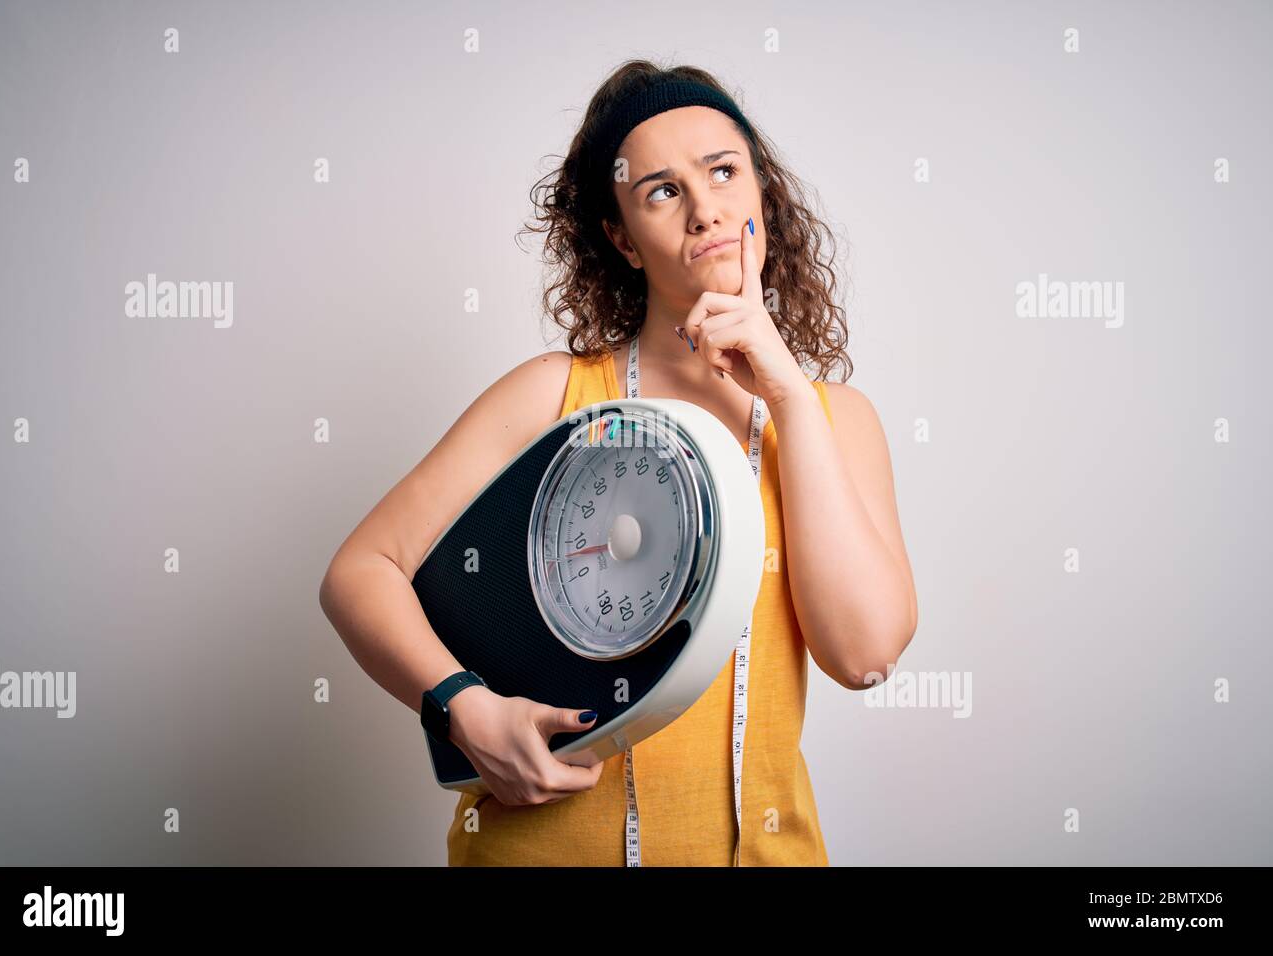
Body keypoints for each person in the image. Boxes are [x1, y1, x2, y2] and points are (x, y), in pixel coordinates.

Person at [319, 60, 918, 866]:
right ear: (621, 239)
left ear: (762, 197)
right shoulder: (554, 399)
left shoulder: (833, 420)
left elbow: (864, 655)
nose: (704, 208)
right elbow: (361, 570)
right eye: (661, 190)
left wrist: (786, 391)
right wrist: (463, 708)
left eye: (723, 171)